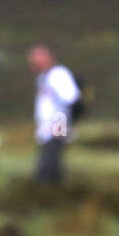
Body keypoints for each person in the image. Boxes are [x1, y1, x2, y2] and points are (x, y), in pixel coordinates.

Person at [29, 44, 80, 185]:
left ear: (48, 59)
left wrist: (60, 128)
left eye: (36, 61)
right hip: (46, 128)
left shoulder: (59, 74)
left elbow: (70, 98)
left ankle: (51, 193)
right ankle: (53, 193)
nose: (33, 65)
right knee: (50, 162)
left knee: (49, 165)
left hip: (57, 126)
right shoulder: (42, 77)